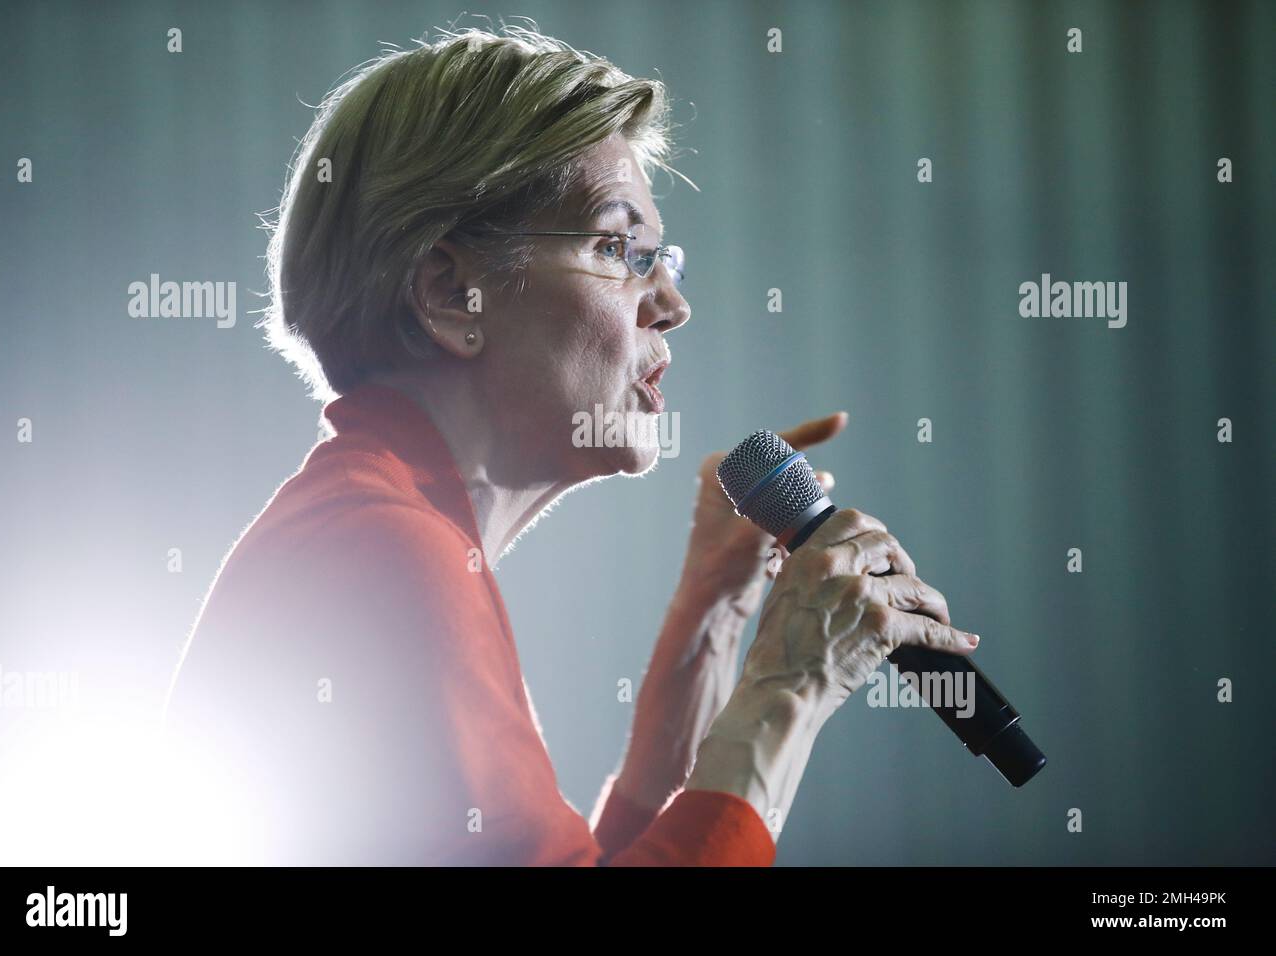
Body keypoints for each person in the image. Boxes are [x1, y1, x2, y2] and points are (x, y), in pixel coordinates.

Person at [161, 24, 980, 866]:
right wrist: (790, 686)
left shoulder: (374, 525)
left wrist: (716, 614)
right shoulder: (382, 548)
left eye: (667, 260)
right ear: (453, 295)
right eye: (618, 248)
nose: (670, 303)